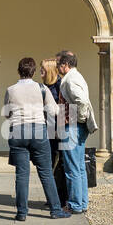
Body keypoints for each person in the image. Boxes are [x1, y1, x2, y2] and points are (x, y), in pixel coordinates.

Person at [3, 57, 71, 223]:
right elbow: (54, 110)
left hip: (18, 132)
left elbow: (6, 113)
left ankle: (21, 212)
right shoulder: (41, 88)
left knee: (21, 174)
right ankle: (56, 210)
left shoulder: (11, 90)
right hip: (38, 132)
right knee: (46, 172)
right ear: (33, 72)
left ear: (19, 71)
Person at [56, 50, 97, 214]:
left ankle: (75, 205)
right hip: (75, 126)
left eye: (58, 64)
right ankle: (82, 203)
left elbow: (81, 101)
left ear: (65, 65)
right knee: (79, 167)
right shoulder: (75, 76)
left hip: (72, 126)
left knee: (72, 168)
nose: (57, 67)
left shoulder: (70, 79)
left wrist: (78, 119)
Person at [40, 56, 67, 207]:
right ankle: (52, 197)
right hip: (47, 130)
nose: (40, 72)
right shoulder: (44, 86)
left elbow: (63, 108)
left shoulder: (60, 86)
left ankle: (61, 198)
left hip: (57, 130)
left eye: (43, 69)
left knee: (60, 165)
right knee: (48, 164)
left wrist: (59, 128)